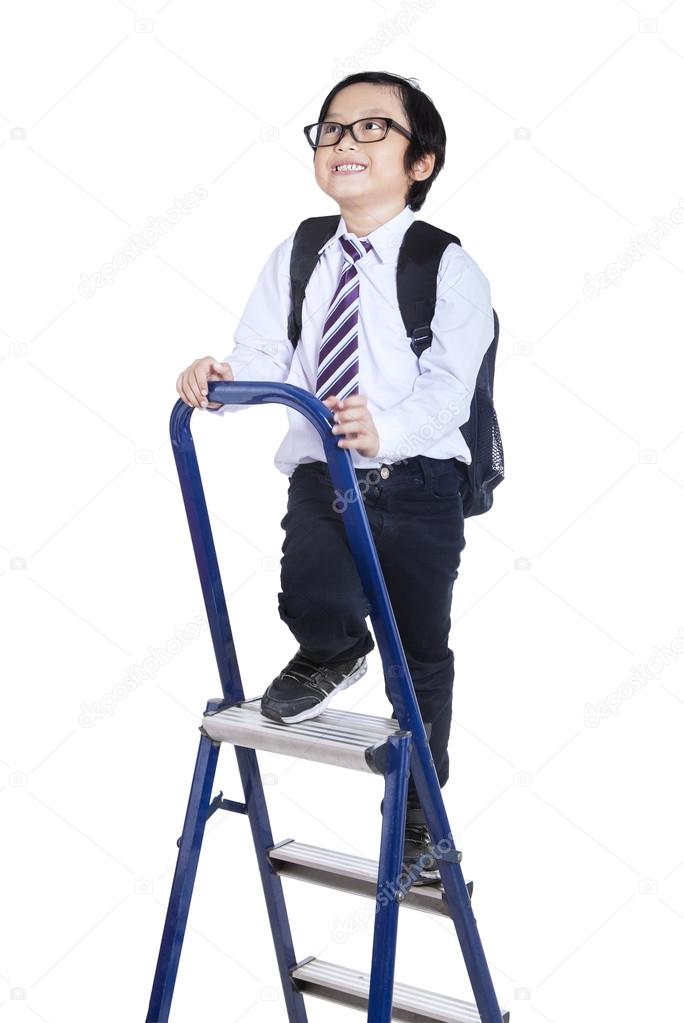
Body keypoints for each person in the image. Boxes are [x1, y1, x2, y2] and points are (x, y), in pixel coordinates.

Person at [176, 71, 494, 883]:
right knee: (308, 585)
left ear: (420, 161)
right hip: (325, 472)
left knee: (420, 653)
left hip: (418, 482)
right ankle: (331, 646)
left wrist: (387, 427)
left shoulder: (447, 266)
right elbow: (263, 354)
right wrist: (220, 376)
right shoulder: (301, 251)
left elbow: (450, 389)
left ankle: (420, 820)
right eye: (330, 130)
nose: (345, 143)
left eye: (371, 130)